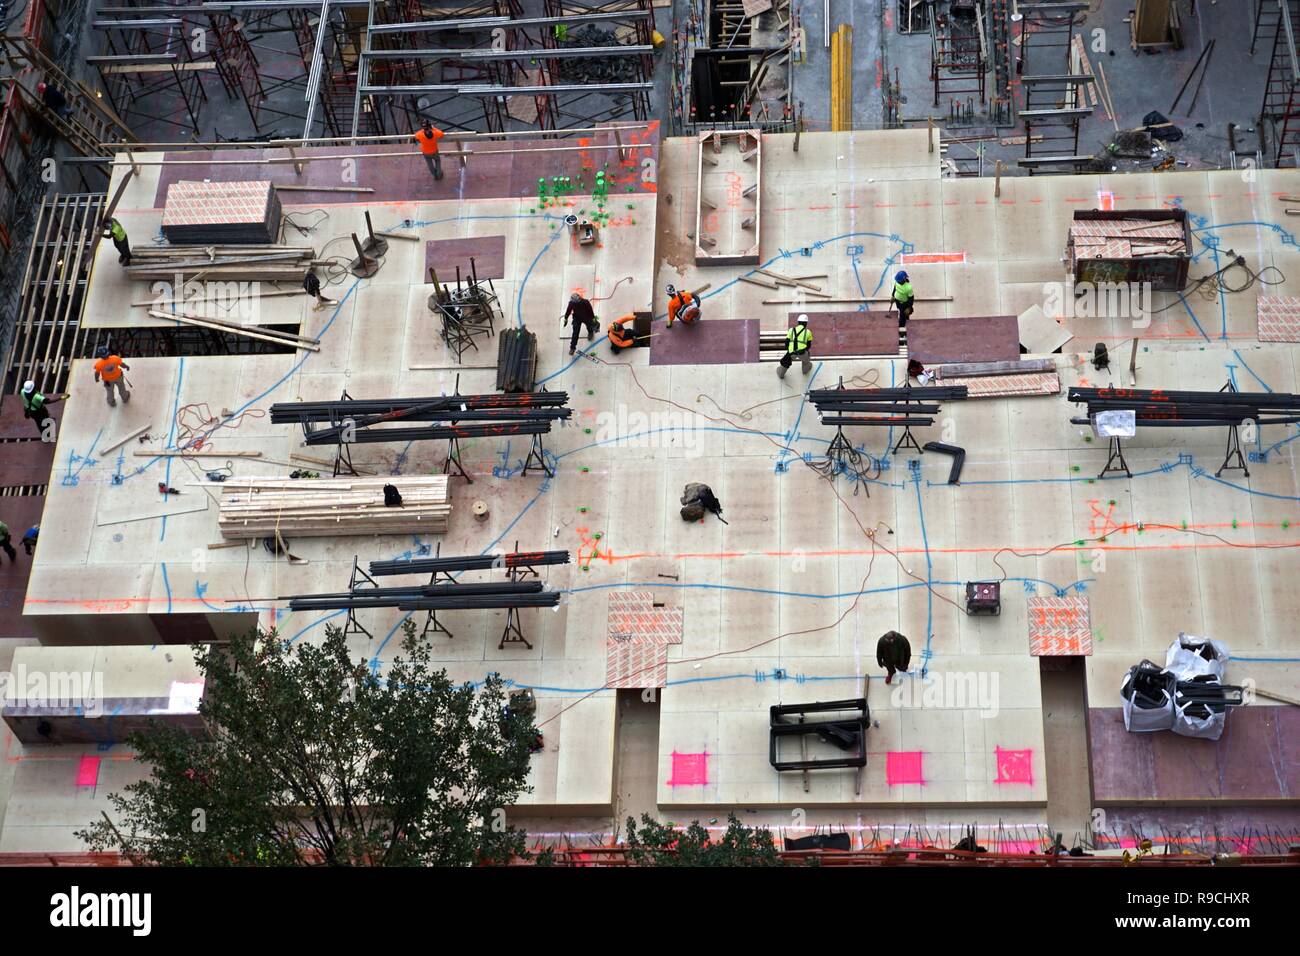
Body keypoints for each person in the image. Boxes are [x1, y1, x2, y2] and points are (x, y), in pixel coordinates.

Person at [778, 314, 813, 380]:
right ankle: (805, 371)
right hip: (802, 353)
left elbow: (786, 342)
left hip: (792, 353)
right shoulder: (808, 332)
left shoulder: (791, 330)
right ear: (806, 323)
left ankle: (781, 374)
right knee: (806, 362)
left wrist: (789, 350)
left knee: (785, 363)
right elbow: (809, 346)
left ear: (798, 322)